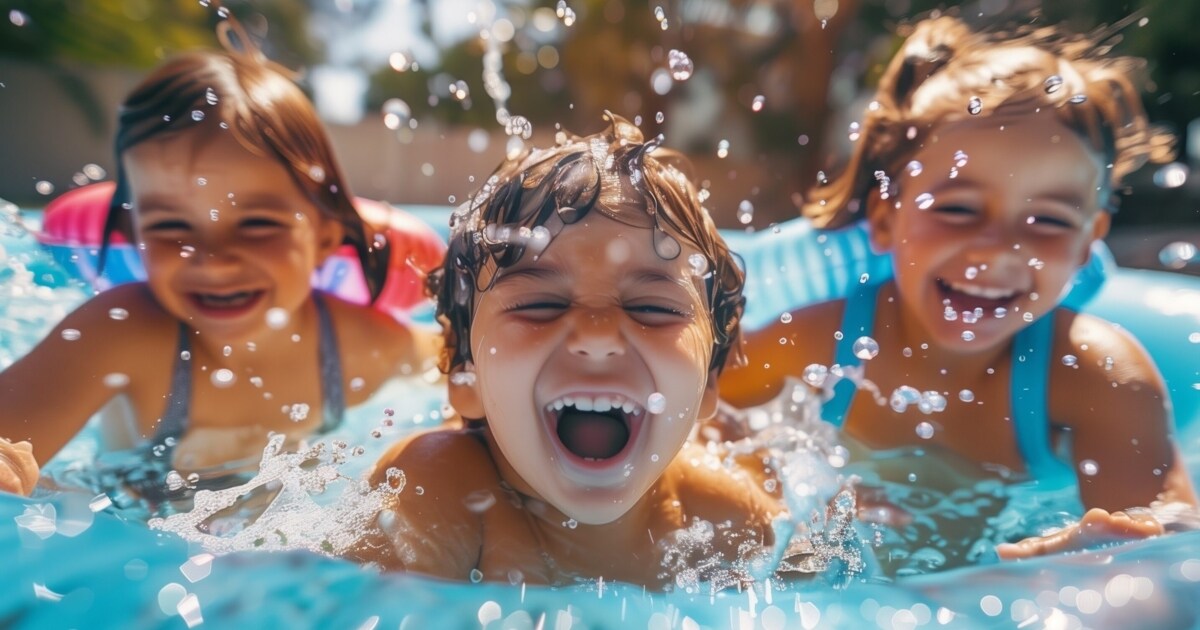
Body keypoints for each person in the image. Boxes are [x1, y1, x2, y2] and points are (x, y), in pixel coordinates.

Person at [720, 15, 1195, 558]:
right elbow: (697, 425)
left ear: (1090, 241)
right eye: (958, 208)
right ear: (885, 218)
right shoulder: (818, 342)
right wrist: (767, 503)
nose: (997, 249)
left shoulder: (1098, 379)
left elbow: (1173, 540)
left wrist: (1092, 555)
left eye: (1049, 221)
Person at [355, 114, 787, 588]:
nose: (597, 337)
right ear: (464, 373)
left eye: (651, 307)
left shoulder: (727, 521)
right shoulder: (435, 487)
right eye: (540, 304)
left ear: (708, 383)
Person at [0, 38, 439, 499]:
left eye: (256, 223)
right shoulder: (122, 333)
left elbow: (458, 372)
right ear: (135, 235)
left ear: (325, 237)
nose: (214, 258)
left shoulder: (358, 345)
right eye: (171, 225)